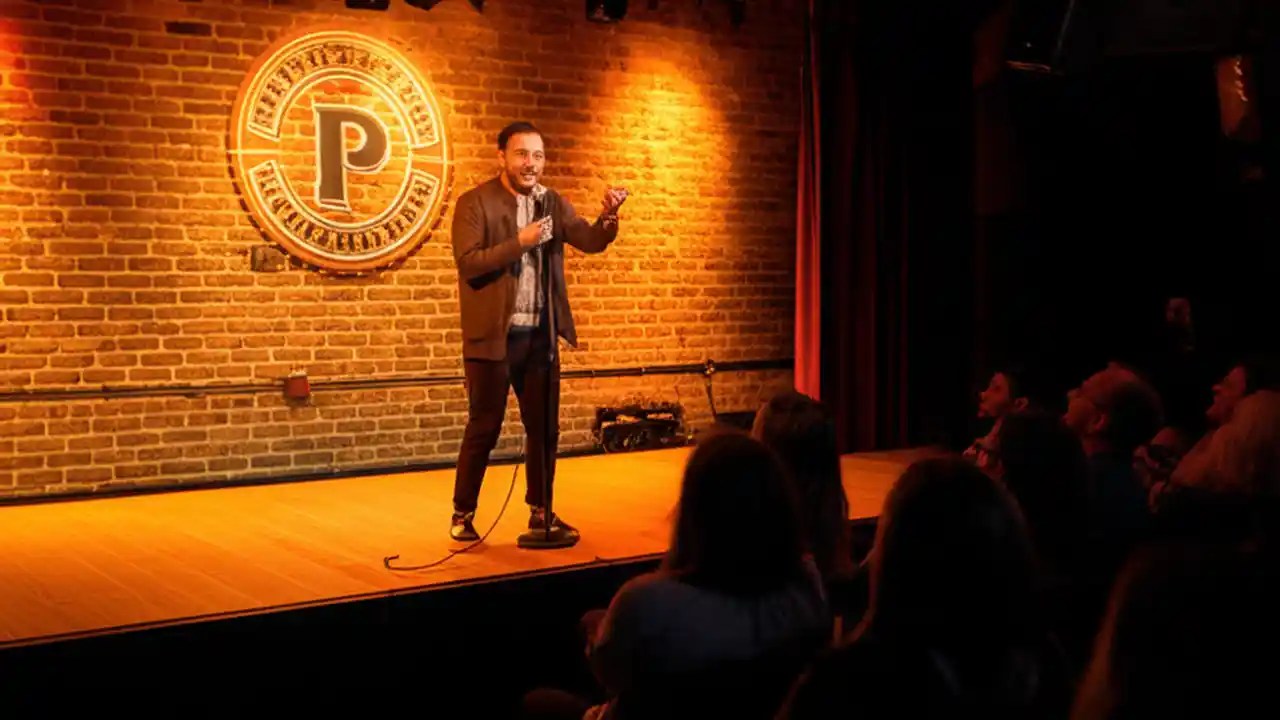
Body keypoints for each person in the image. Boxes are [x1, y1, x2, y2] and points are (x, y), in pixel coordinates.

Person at [449, 121, 628, 542]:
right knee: (484, 426)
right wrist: (521, 241)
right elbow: (469, 263)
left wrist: (608, 217)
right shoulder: (475, 202)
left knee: (544, 428)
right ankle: (462, 513)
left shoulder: (552, 203)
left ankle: (540, 511)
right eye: (522, 154)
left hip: (539, 336)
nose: (531, 164)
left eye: (538, 156)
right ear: (502, 158)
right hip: (492, 337)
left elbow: (589, 239)